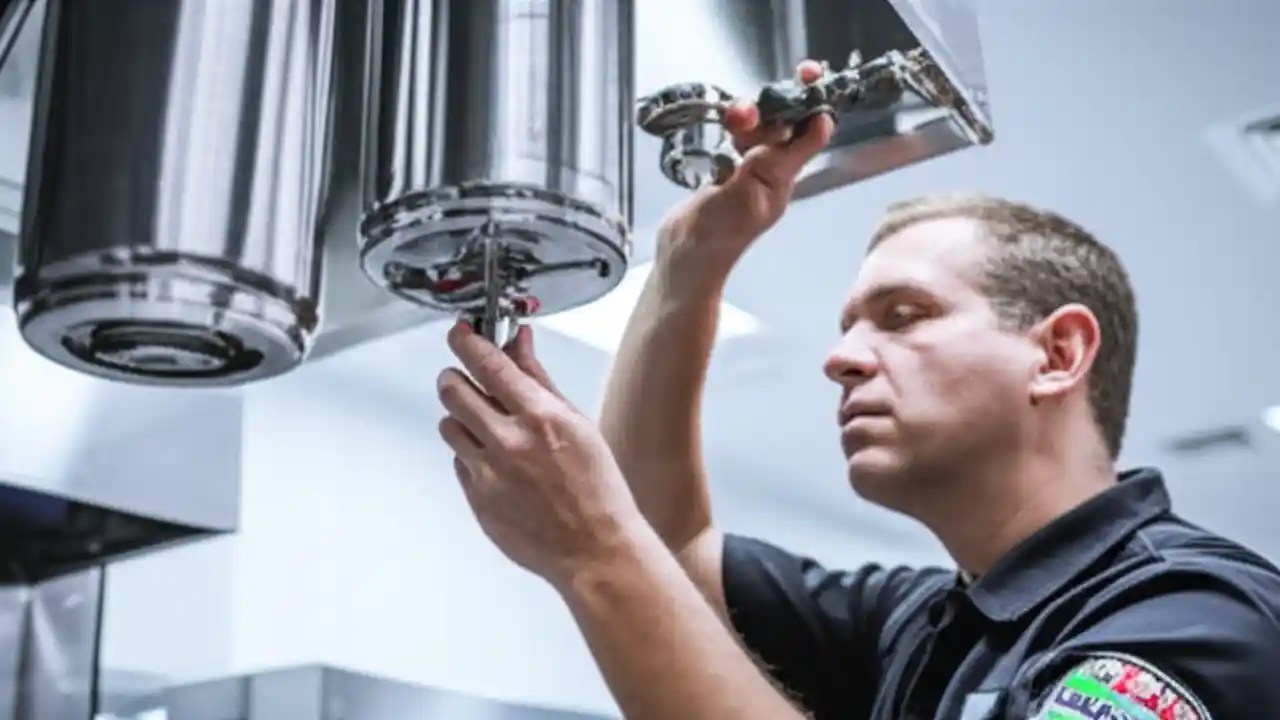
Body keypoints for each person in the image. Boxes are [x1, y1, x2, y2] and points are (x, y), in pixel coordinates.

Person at [434, 61, 1280, 719]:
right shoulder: (924, 625)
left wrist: (596, 555)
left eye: (903, 316)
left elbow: (633, 554)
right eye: (848, 327)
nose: (841, 359)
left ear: (1057, 354)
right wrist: (692, 262)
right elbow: (667, 549)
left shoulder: (1191, 619)